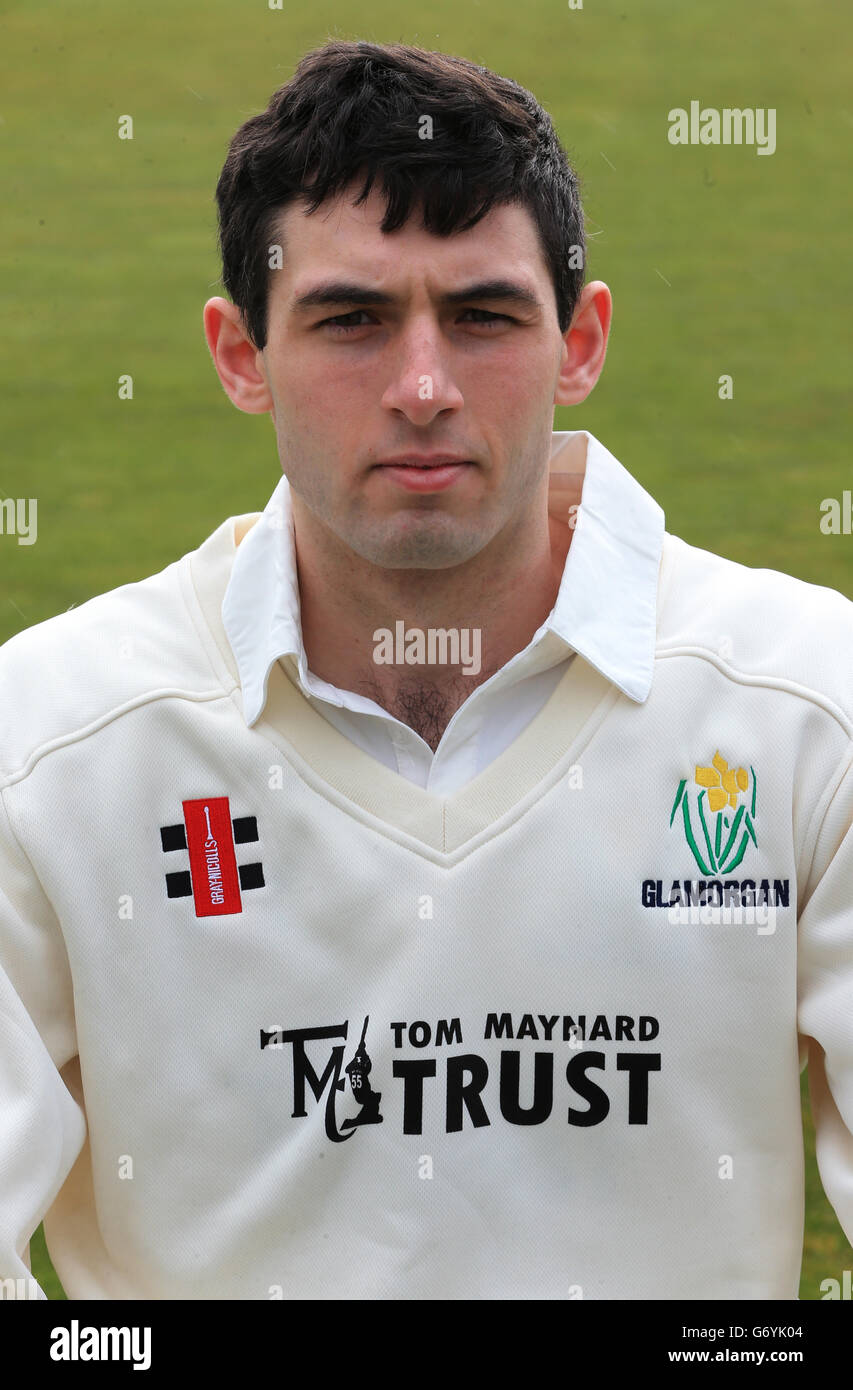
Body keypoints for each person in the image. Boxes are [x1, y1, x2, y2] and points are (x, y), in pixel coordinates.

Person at [1, 38, 851, 1302]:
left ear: (580, 341)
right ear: (240, 354)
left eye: (482, 316)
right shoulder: (50, 745)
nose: (421, 387)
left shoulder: (803, 706)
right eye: (351, 319)